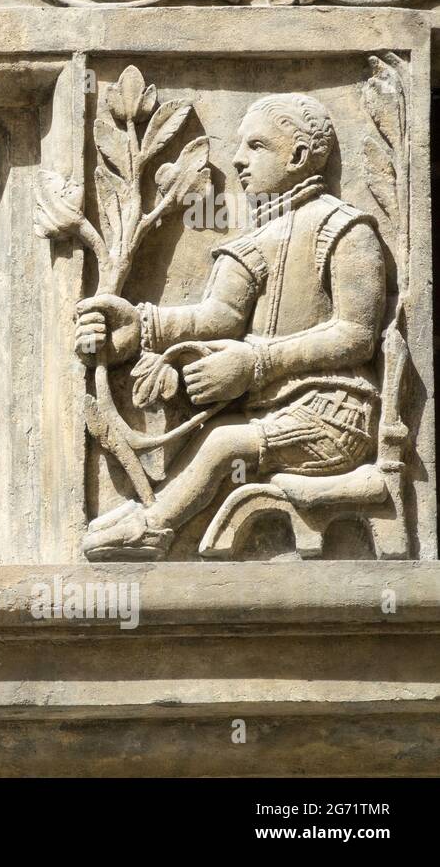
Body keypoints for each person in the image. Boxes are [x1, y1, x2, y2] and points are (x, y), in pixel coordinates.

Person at [75, 93, 387, 559]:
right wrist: (140, 327)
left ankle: (153, 528)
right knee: (204, 439)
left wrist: (254, 364)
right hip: (274, 412)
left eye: (256, 146)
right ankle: (147, 512)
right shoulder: (256, 240)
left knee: (223, 443)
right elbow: (218, 317)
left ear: (299, 155)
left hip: (335, 414)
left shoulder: (345, 229)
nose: (238, 159)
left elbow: (357, 334)